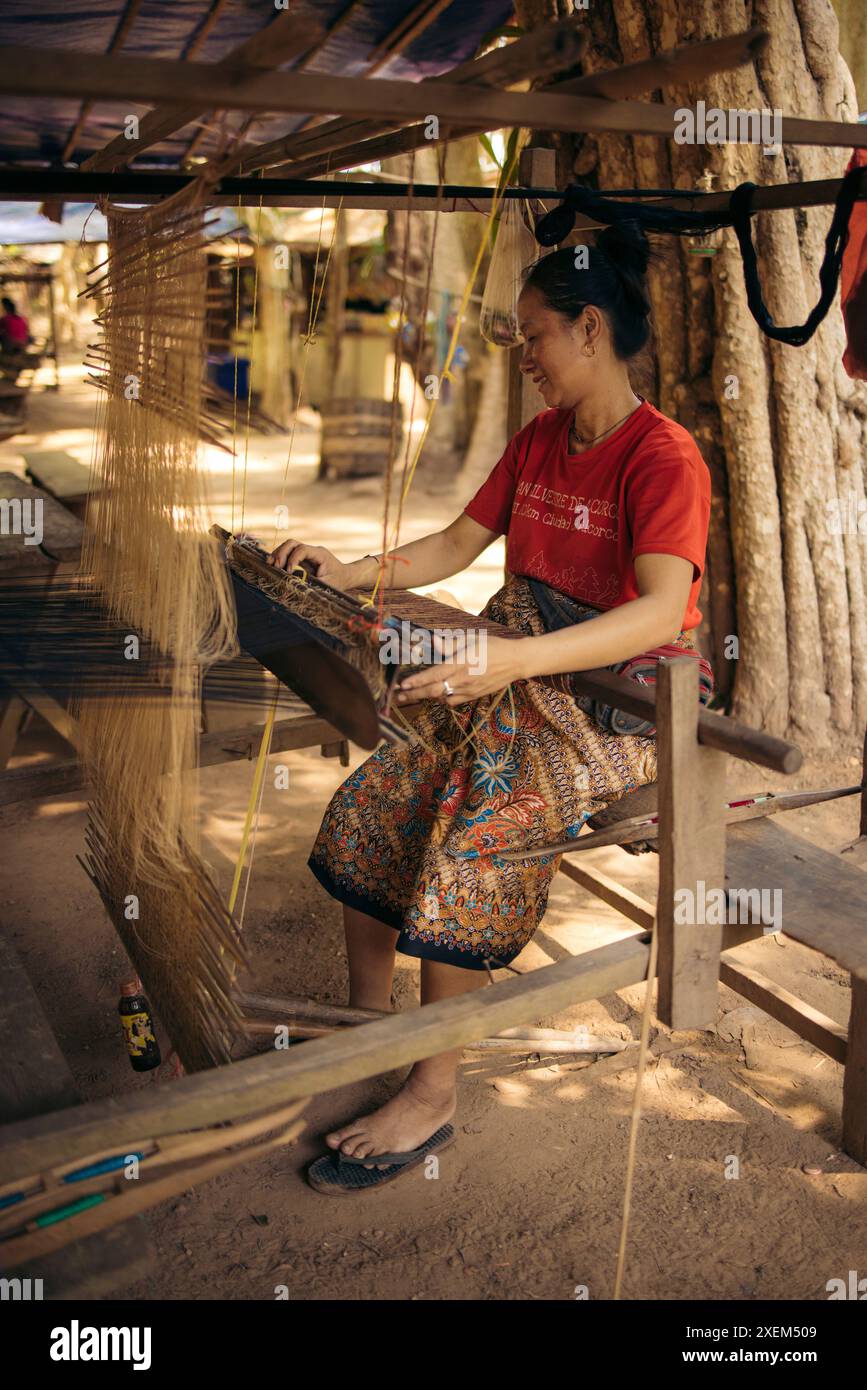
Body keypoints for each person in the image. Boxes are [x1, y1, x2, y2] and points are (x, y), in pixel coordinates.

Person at [269, 222, 711, 1194]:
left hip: (618, 700)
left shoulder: (663, 456)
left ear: (590, 330)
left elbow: (658, 611)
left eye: (534, 336)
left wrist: (512, 661)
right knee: (378, 799)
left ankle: (432, 1091)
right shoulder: (540, 440)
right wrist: (349, 569)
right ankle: (367, 1027)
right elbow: (452, 544)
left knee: (474, 836)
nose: (526, 357)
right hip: (519, 666)